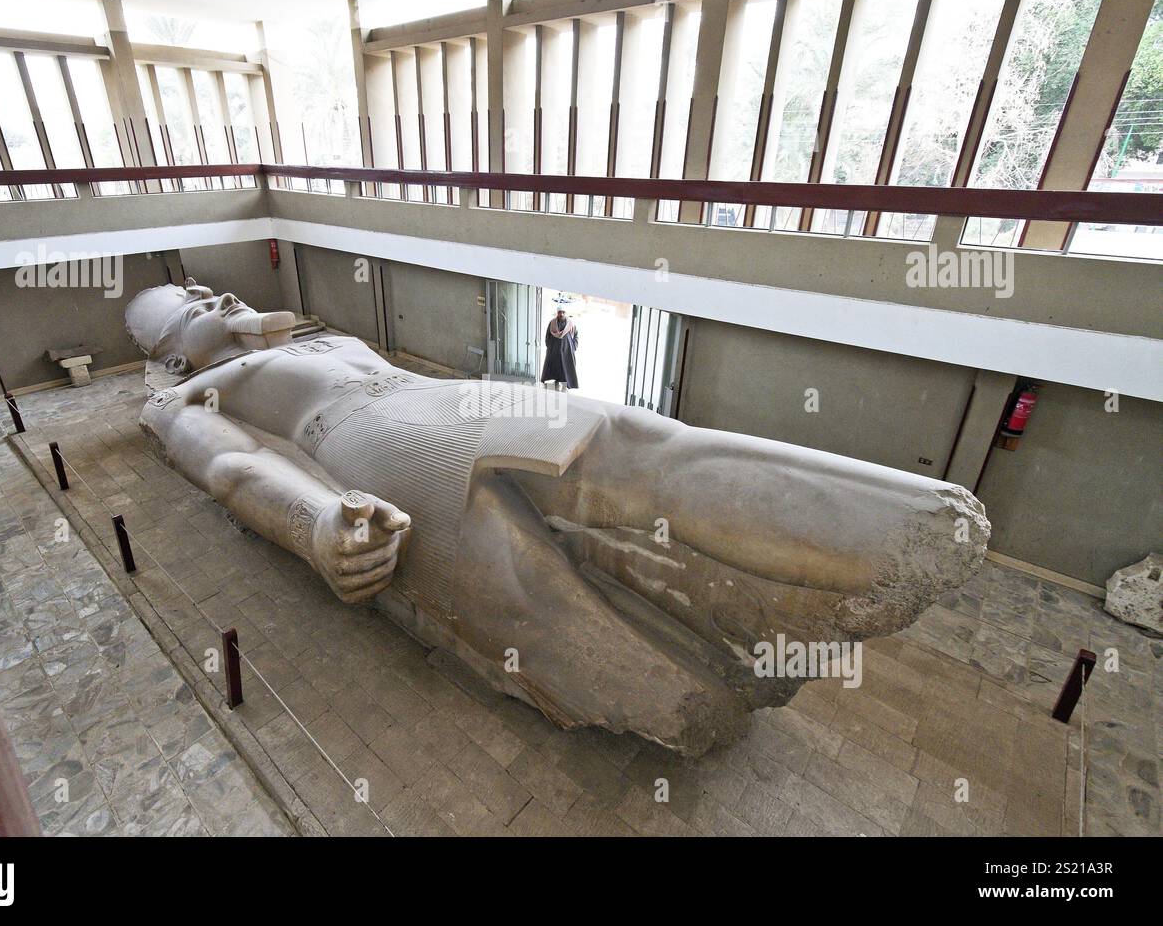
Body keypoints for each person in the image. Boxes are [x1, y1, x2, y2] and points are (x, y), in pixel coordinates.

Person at [125, 282, 988, 755]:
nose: (220, 298)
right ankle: (681, 697)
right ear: (172, 355)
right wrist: (318, 524)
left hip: (442, 398)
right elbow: (232, 466)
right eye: (195, 307)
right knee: (516, 570)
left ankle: (898, 532)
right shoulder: (189, 396)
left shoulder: (314, 335)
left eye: (211, 288)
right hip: (361, 444)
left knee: (633, 439)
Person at [541, 306, 579, 389]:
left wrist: (573, 347)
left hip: (567, 350)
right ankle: (556, 380)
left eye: (563, 312)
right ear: (557, 313)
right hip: (554, 350)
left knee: (565, 366)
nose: (561, 314)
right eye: (559, 312)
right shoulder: (552, 323)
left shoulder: (571, 323)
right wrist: (549, 346)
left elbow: (576, 335)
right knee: (555, 365)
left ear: (565, 313)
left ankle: (566, 382)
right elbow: (548, 335)